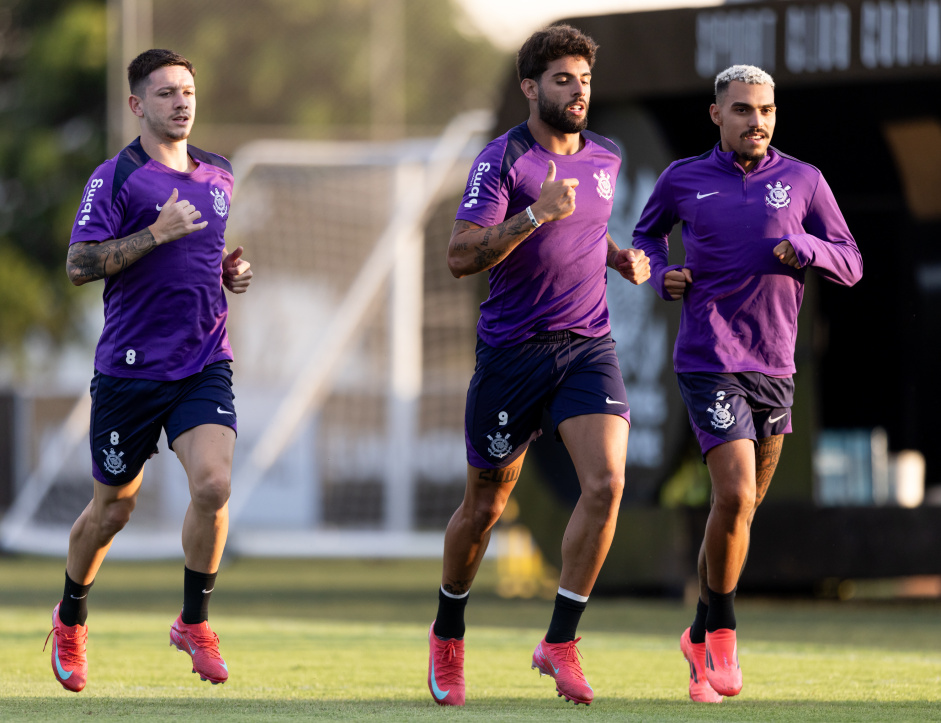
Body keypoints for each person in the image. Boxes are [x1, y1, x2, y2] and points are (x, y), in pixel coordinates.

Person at [427, 25, 650, 707]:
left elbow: (586, 222)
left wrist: (616, 257)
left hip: (587, 345)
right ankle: (448, 632)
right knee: (484, 506)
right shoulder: (502, 161)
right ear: (530, 87)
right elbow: (460, 257)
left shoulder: (605, 157)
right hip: (511, 355)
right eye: (561, 78)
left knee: (607, 480)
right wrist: (532, 216)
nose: (577, 89)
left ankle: (559, 641)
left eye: (583, 78)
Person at [632, 64, 863, 703]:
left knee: (739, 510)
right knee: (732, 496)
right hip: (708, 356)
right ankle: (726, 634)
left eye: (764, 110)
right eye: (741, 110)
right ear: (717, 115)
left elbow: (852, 261)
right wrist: (661, 277)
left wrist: (807, 250)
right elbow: (644, 239)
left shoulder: (804, 181)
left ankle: (697, 637)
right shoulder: (683, 178)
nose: (755, 121)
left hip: (775, 366)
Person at [45, 49, 253, 693]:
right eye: (165, 93)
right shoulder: (116, 177)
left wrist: (228, 273)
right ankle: (71, 618)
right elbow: (81, 264)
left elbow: (203, 256)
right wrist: (155, 235)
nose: (181, 102)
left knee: (214, 485)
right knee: (113, 511)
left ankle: (194, 622)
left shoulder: (219, 173)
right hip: (130, 374)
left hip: (203, 362)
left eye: (187, 90)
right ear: (138, 105)